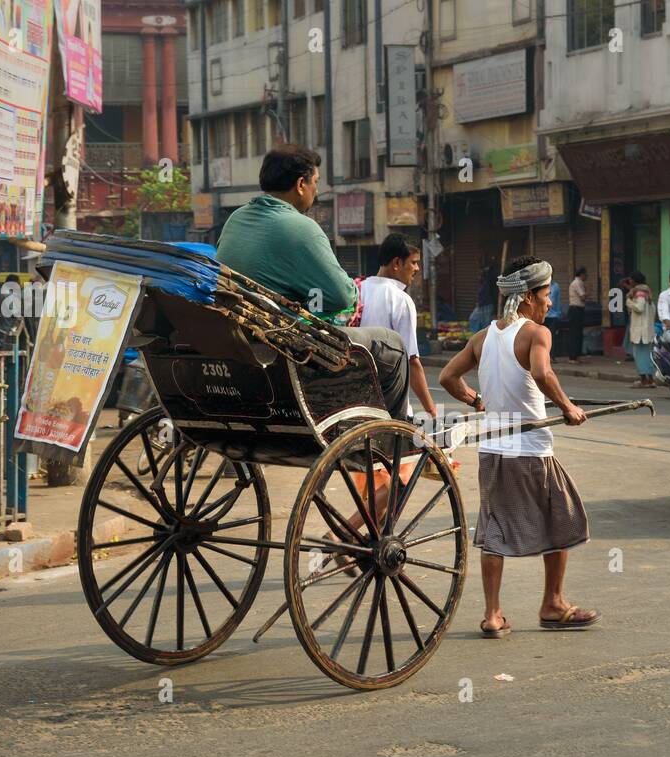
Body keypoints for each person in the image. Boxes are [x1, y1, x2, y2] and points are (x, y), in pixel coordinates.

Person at [438, 255, 600, 637]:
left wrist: (478, 401)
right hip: (530, 449)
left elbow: (447, 376)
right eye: (545, 296)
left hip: (493, 453)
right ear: (527, 297)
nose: (549, 304)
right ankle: (553, 603)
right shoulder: (536, 334)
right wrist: (568, 407)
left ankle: (493, 615)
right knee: (563, 517)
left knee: (494, 530)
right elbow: (543, 373)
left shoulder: (482, 338)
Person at [214, 145, 409, 420]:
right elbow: (342, 297)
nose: (316, 191)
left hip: (234, 341)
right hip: (283, 347)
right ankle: (388, 440)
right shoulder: (302, 227)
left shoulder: (235, 220)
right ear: (301, 184)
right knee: (394, 345)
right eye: (315, 182)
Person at [359, 233, 436, 420]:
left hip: (358, 398)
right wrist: (431, 410)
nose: (417, 268)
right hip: (390, 402)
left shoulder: (358, 289)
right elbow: (412, 361)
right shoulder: (400, 300)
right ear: (396, 263)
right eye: (413, 262)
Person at [626, 271, 656, 388]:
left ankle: (644, 380)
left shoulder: (639, 293)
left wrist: (629, 302)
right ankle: (650, 379)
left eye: (631, 280)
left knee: (639, 355)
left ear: (635, 280)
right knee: (647, 355)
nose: (630, 282)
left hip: (640, 330)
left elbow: (639, 307)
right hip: (646, 329)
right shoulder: (647, 292)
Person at [566, 266, 588, 363]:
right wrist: (589, 292)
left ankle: (577, 355)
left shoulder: (579, 283)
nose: (586, 276)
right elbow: (582, 297)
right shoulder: (577, 283)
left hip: (578, 310)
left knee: (578, 333)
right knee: (575, 333)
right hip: (575, 310)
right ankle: (573, 357)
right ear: (582, 274)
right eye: (585, 274)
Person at [468, 260, 496, 333]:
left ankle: (484, 338)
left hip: (487, 304)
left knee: (485, 324)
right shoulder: (483, 281)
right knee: (474, 319)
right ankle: (478, 336)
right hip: (482, 305)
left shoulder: (488, 278)